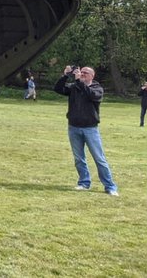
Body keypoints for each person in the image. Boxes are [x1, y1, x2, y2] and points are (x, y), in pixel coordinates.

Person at [54, 65, 119, 196]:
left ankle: (110, 186)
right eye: (81, 72)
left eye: (85, 73)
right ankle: (84, 183)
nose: (82, 74)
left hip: (90, 129)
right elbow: (58, 89)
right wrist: (65, 75)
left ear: (92, 76)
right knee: (79, 158)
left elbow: (90, 95)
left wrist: (78, 81)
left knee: (99, 158)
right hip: (74, 127)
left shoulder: (97, 88)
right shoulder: (74, 87)